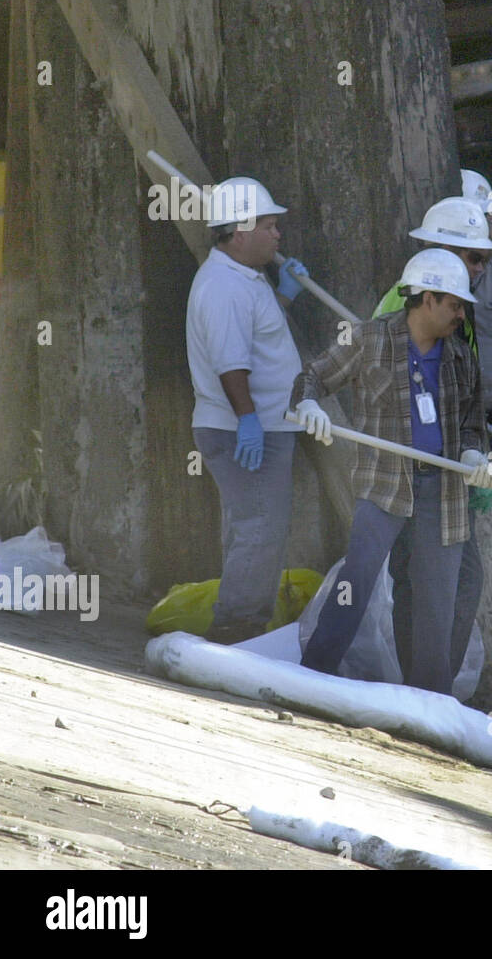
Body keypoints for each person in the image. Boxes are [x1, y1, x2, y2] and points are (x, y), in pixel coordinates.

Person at [292, 249, 492, 693]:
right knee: (359, 576)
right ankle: (312, 677)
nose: (461, 315)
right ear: (427, 299)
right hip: (384, 482)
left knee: (436, 604)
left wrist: (473, 457)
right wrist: (308, 403)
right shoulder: (368, 340)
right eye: (454, 305)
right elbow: (313, 376)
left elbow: (471, 426)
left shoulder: (462, 357)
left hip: (443, 492)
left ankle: (428, 701)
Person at [376, 177, 492, 640]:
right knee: (440, 558)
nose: (483, 261)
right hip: (438, 443)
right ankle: (442, 673)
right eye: (475, 253)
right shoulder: (415, 294)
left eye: (487, 250)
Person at [186, 176, 311, 645]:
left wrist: (285, 294)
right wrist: (249, 420)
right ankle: (236, 632)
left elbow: (255, 333)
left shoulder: (244, 277)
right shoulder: (222, 286)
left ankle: (240, 627)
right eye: (269, 225)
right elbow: (231, 363)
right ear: (240, 230)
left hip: (263, 425)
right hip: (242, 429)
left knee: (253, 527)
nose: (277, 235)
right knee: (259, 529)